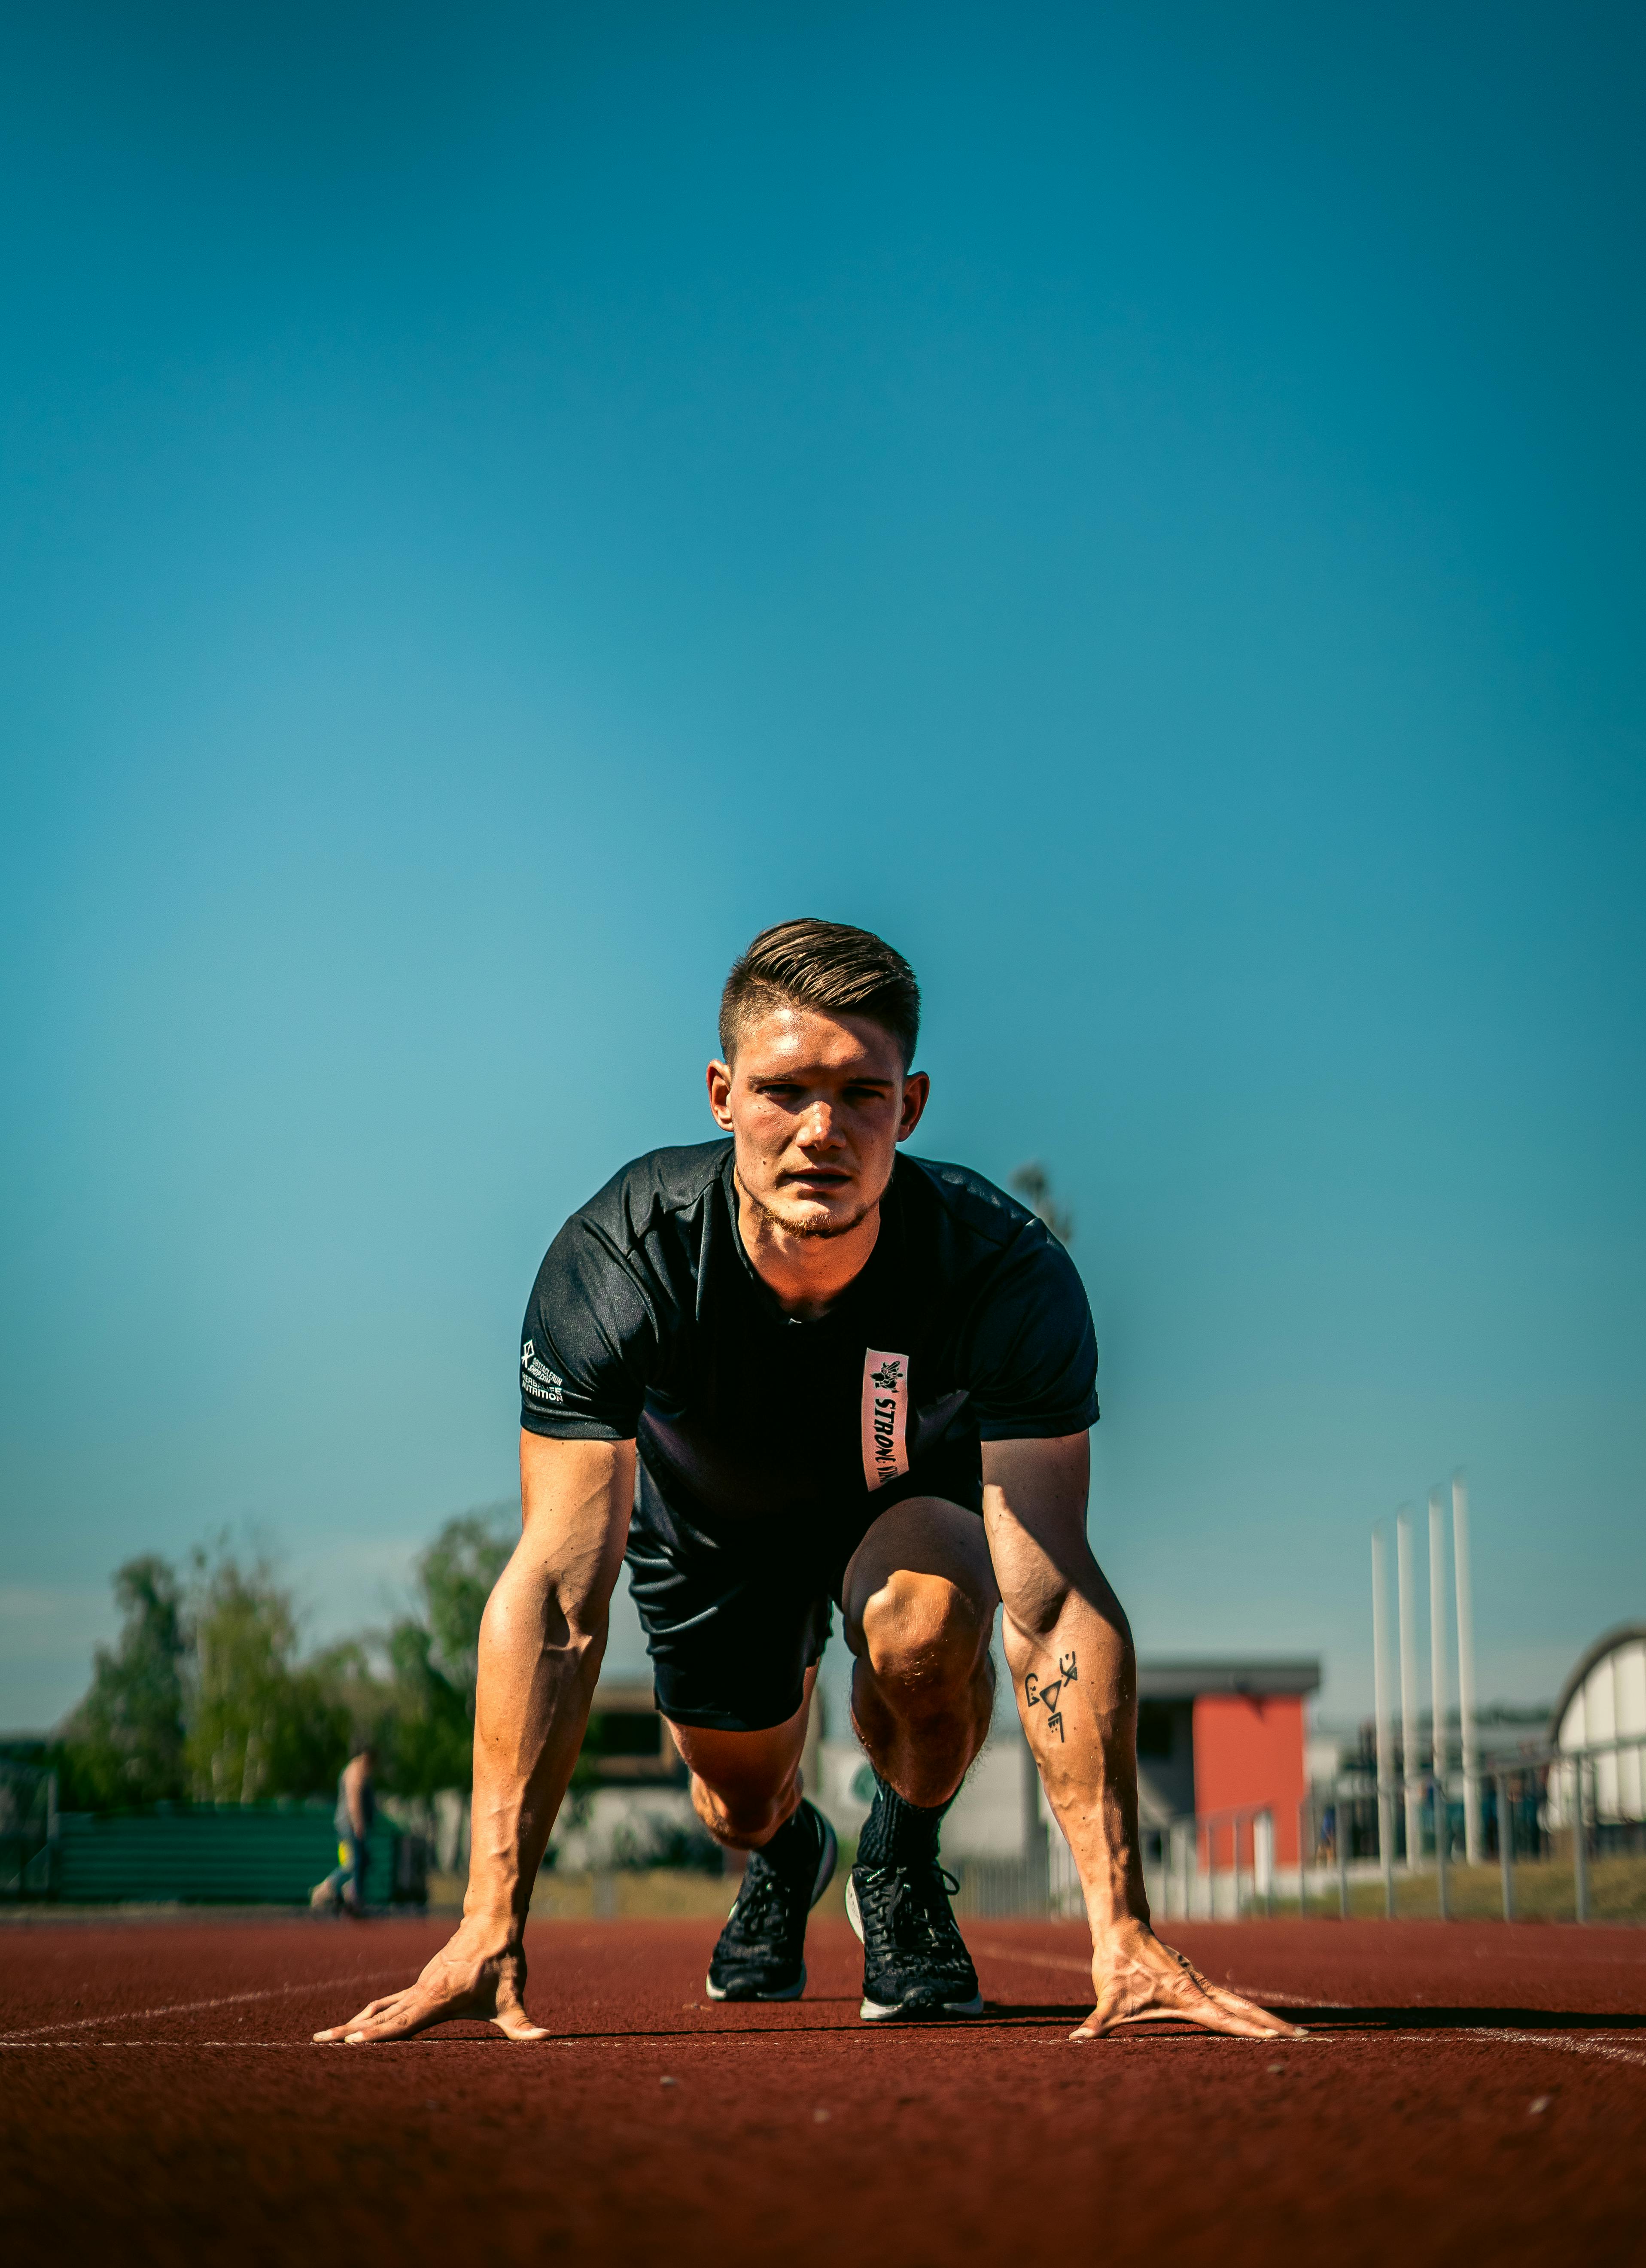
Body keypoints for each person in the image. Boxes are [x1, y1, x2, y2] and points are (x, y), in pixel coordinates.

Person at [317, 920, 1296, 2044]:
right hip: (708, 1542)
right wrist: (488, 1918)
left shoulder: (1002, 1273)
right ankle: (788, 1856)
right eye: (785, 1091)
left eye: (861, 1094)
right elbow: (553, 1595)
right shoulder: (620, 1263)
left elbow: (1054, 1596)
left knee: (928, 1637)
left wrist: (1120, 1924)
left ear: (911, 1106)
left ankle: (901, 1861)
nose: (821, 1129)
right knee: (735, 1798)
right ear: (722, 1094)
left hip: (897, 1510)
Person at [311, 1745, 375, 1915]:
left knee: (358, 1863)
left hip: (347, 1826)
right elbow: (353, 1799)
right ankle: (325, 1890)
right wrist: (359, 1824)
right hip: (349, 1826)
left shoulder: (358, 1770)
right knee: (353, 1862)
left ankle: (351, 1896)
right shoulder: (356, 1770)